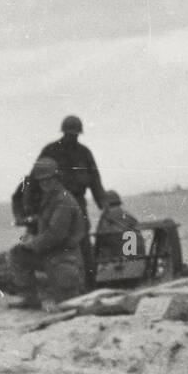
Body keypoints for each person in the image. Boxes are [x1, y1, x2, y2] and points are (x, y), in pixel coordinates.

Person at [7, 158, 88, 309]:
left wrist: (33, 243)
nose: (45, 184)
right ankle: (29, 298)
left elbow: (56, 235)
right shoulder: (51, 198)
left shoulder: (63, 201)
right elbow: (46, 226)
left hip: (65, 258)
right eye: (42, 181)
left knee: (67, 306)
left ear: (56, 178)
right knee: (18, 254)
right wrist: (32, 238)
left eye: (49, 180)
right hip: (50, 254)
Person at [37, 115, 106, 286]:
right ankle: (52, 283)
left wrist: (103, 202)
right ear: (64, 132)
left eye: (75, 134)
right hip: (53, 202)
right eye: (70, 133)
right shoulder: (50, 151)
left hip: (78, 202)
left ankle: (90, 284)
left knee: (82, 243)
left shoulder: (84, 153)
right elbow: (35, 177)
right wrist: (30, 206)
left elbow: (95, 179)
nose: (72, 137)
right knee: (50, 240)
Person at [93, 190, 145, 264]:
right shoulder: (129, 216)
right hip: (136, 260)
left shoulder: (106, 217)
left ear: (106, 204)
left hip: (115, 261)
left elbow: (99, 240)